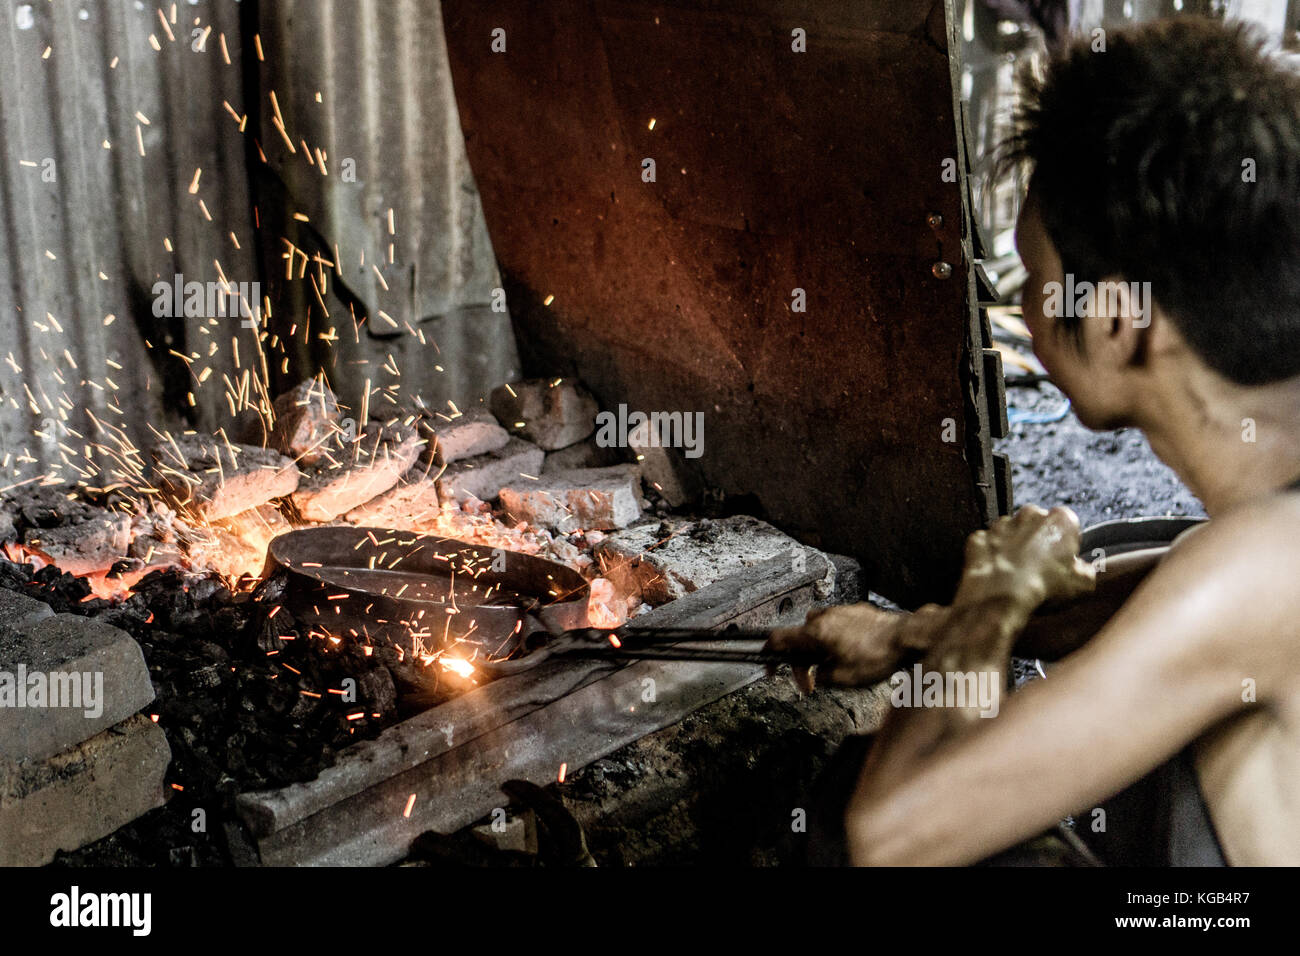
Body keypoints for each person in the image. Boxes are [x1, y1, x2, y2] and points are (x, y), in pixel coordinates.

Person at [767, 17, 1300, 866]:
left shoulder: (1265, 570)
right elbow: (1129, 604)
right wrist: (917, 635)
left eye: (1035, 283)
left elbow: (890, 836)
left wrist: (991, 594)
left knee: (851, 812)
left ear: (1121, 317)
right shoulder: (1264, 533)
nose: (1022, 321)